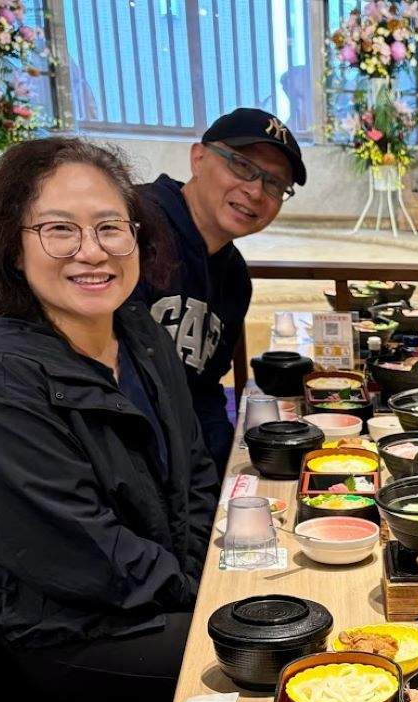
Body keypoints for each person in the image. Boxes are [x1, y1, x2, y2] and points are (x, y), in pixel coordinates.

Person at [0, 137, 219, 702]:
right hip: (47, 631)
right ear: (11, 247)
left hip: (154, 591)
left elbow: (196, 470)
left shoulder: (138, 332)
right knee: (275, 652)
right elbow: (79, 552)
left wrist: (203, 576)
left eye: (110, 227)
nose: (92, 251)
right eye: (58, 229)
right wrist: (199, 594)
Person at [135, 107, 307, 476]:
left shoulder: (234, 278)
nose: (256, 190)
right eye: (242, 166)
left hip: (181, 469)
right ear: (198, 158)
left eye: (275, 184)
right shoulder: (130, 228)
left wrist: (222, 471)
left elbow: (205, 389)